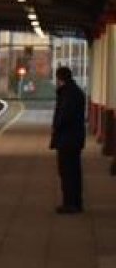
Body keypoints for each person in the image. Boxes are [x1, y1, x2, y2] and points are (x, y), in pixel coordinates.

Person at [50, 65, 86, 214]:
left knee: (67, 172)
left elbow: (64, 116)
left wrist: (56, 126)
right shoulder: (75, 91)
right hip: (74, 137)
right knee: (74, 172)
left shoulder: (68, 93)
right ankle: (76, 203)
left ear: (60, 78)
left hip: (67, 138)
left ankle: (70, 204)